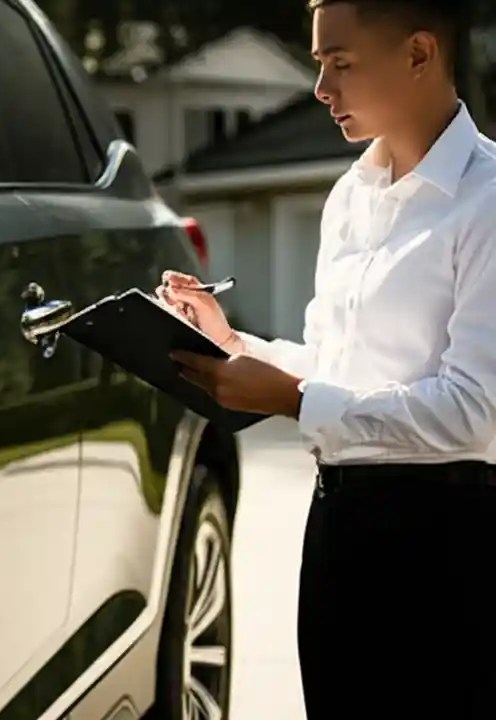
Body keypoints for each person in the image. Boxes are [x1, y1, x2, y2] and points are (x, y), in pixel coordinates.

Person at [160, 0, 496, 716]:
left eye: (340, 64)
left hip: (449, 545)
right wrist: (232, 344)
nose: (321, 90)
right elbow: (337, 368)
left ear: (418, 53)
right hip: (339, 530)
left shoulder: (488, 201)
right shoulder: (349, 198)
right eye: (318, 65)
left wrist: (288, 399)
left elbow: (475, 412)